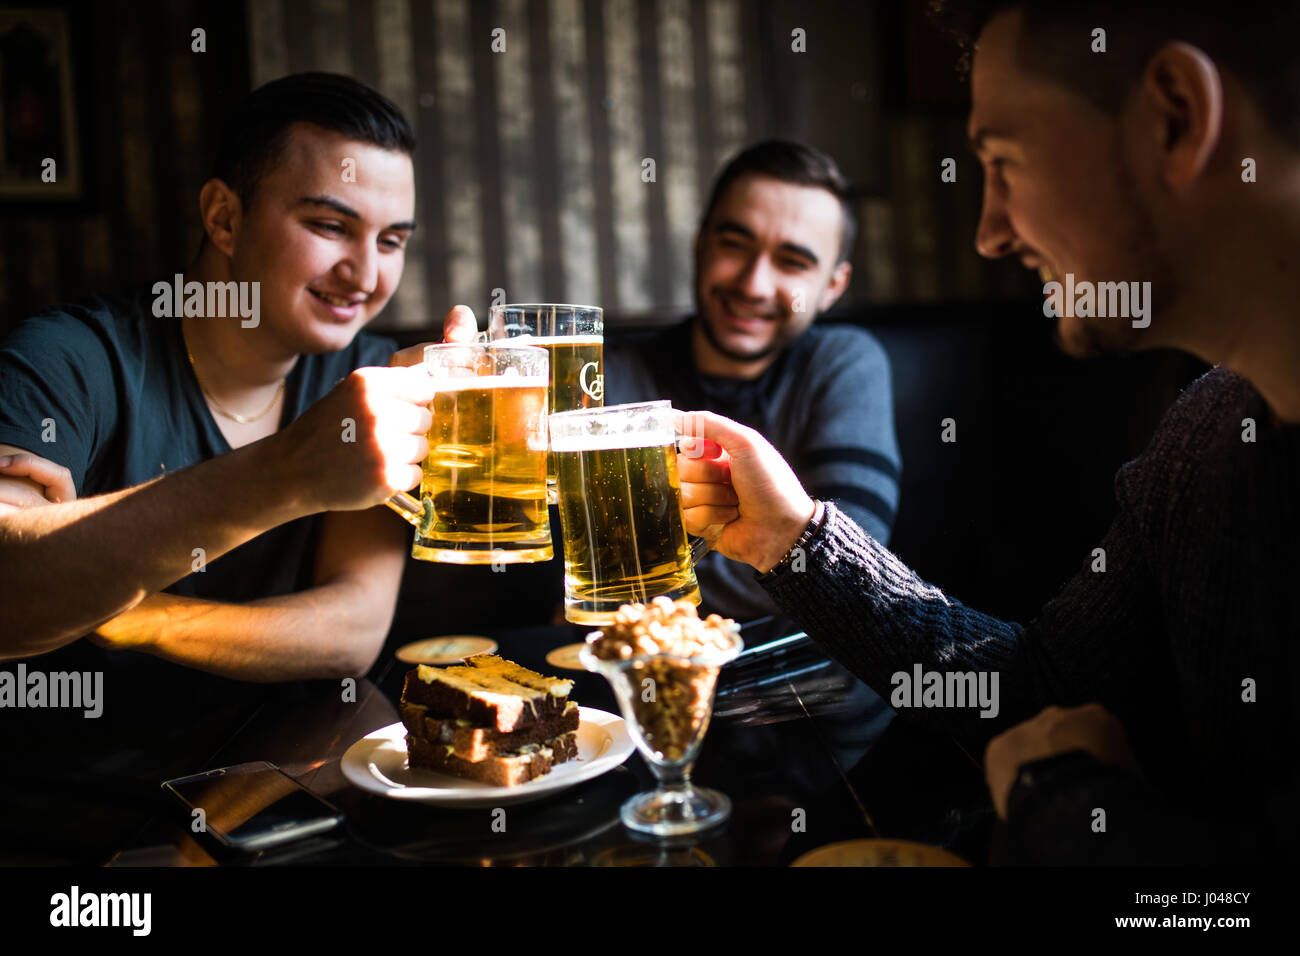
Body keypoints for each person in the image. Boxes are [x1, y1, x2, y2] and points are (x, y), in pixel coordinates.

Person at [674, 0, 1300, 864]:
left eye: (1003, 162)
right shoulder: (1205, 430)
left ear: (1176, 118)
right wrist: (793, 540)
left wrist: (1067, 805)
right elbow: (1035, 686)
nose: (991, 232)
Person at [0, 73, 476, 683]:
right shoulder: (66, 360)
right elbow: (11, 594)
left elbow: (352, 629)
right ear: (224, 218)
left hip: (281, 766)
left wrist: (127, 611)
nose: (364, 273)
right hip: (68, 775)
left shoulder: (373, 377)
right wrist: (291, 473)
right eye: (330, 227)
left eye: (390, 240)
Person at [603, 140, 900, 621]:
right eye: (734, 244)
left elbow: (850, 568)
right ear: (701, 245)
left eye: (793, 262)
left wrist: (623, 587)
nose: (753, 284)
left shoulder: (845, 362)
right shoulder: (612, 375)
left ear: (833, 287)